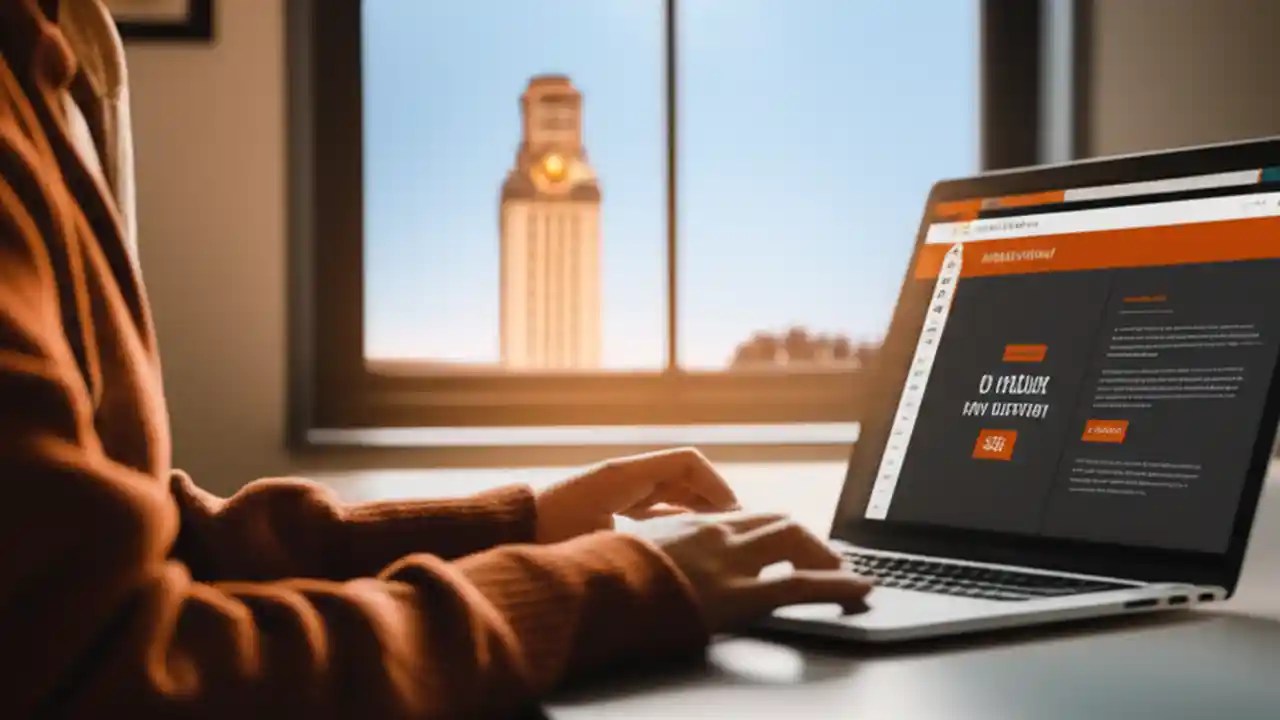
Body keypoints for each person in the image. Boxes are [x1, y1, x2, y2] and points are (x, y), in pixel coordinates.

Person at [0, 1, 872, 717]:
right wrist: (603, 585)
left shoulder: (43, 55)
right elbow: (103, 673)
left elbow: (158, 541)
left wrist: (522, 521)